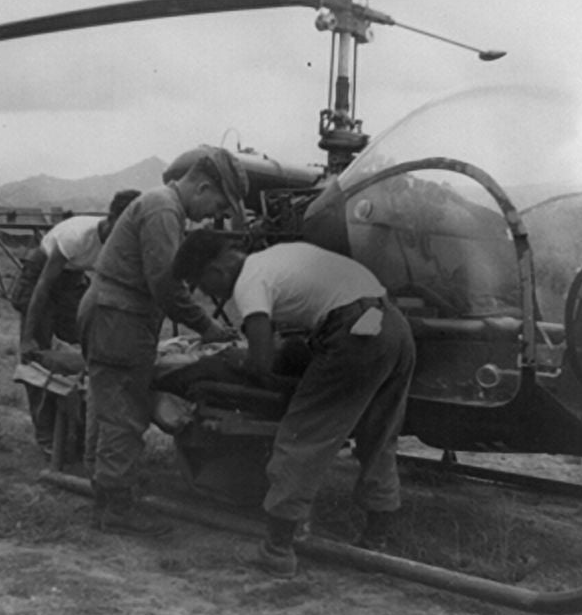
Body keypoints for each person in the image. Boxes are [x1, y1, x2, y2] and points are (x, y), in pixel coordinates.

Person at [172, 230, 416, 578]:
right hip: (393, 325)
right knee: (379, 434)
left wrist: (238, 361)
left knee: (302, 437)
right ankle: (378, 538)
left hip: (355, 333)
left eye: (202, 284)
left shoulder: (248, 281)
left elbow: (260, 361)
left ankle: (277, 549)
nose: (209, 292)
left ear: (216, 270)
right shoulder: (277, 256)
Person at [78, 146, 247, 536]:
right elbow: (166, 284)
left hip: (113, 314)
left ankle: (106, 495)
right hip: (120, 319)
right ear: (202, 187)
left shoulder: (161, 205)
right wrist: (207, 327)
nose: (211, 215)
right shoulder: (163, 209)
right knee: (124, 412)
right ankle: (118, 508)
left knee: (108, 406)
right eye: (217, 205)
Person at [10, 189, 141, 452]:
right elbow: (42, 288)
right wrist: (27, 338)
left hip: (73, 279)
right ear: (111, 218)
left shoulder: (125, 241)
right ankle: (47, 438)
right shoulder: (77, 236)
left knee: (91, 346)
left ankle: (78, 432)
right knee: (36, 357)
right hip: (42, 273)